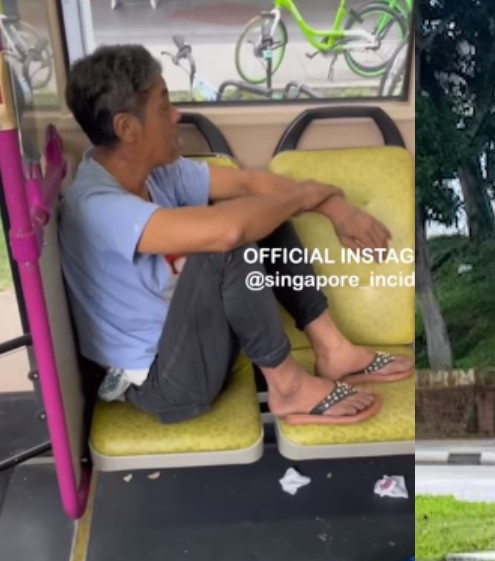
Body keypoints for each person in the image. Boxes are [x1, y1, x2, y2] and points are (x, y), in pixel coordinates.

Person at [59, 44, 412, 426]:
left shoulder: (154, 172)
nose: (176, 115)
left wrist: (336, 209)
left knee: (261, 211)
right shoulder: (95, 206)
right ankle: (289, 387)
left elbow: (249, 184)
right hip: (163, 382)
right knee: (228, 240)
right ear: (126, 127)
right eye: (164, 105)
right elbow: (228, 232)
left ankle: (333, 349)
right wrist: (305, 197)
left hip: (197, 341)